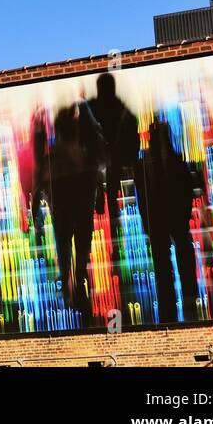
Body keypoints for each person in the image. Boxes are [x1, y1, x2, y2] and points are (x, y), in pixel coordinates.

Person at [135, 114, 202, 323]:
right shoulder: (176, 159)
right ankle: (186, 296)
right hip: (172, 217)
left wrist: (147, 222)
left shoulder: (145, 163)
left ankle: (170, 300)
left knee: (165, 260)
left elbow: (142, 196)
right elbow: (187, 188)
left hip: (160, 219)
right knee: (180, 253)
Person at [43, 99, 105, 323]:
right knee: (79, 243)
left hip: (65, 207)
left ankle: (71, 282)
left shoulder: (56, 154)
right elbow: (94, 173)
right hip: (79, 203)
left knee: (66, 244)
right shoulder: (83, 150)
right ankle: (77, 280)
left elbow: (46, 182)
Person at [88, 72, 140, 255]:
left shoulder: (93, 106)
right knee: (112, 194)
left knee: (103, 186)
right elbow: (132, 125)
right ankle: (116, 237)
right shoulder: (120, 107)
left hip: (100, 156)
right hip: (116, 156)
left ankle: (100, 198)